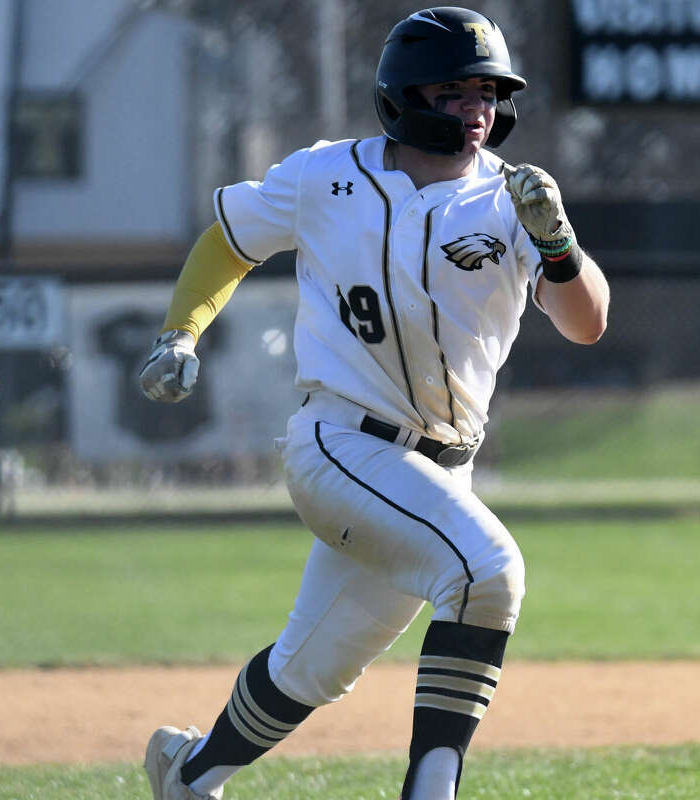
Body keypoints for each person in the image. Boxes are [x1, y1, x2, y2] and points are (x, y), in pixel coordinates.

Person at [138, 8, 609, 799]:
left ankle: (187, 775)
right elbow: (229, 238)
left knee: (311, 667)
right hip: (338, 443)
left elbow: (587, 323)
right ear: (405, 92)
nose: (477, 107)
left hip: (440, 471)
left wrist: (558, 242)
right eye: (455, 89)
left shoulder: (511, 200)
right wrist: (180, 333)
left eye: (488, 90)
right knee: (488, 572)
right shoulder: (326, 175)